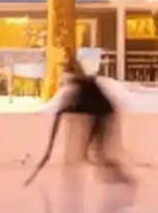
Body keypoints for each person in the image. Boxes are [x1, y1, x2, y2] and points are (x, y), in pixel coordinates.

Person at [25, 58, 132, 186]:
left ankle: (120, 176)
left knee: (97, 154)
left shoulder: (84, 88)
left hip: (102, 116)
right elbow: (72, 109)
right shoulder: (80, 88)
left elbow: (84, 107)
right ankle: (117, 175)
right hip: (98, 116)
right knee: (94, 154)